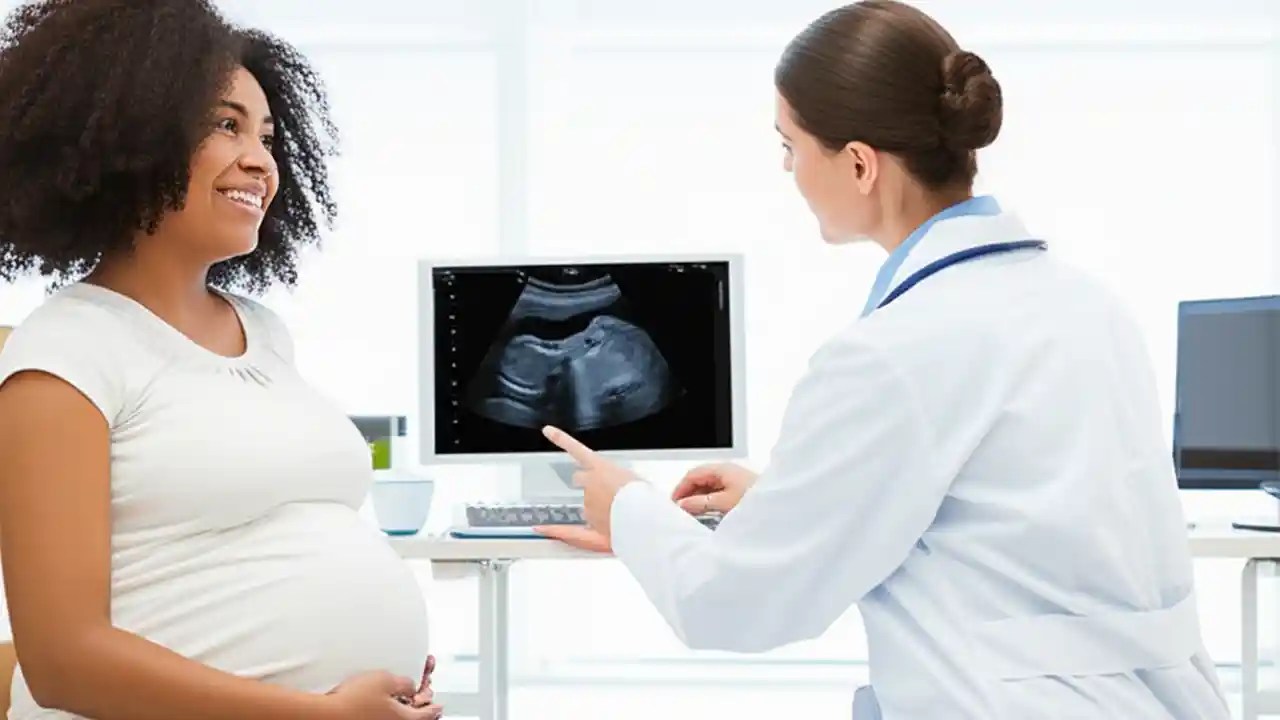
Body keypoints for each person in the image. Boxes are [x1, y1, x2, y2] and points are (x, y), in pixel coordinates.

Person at [535, 1, 1231, 718]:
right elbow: (1023, 519)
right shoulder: (1088, 305)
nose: (788, 171)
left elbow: (737, 605)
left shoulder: (893, 352)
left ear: (861, 164)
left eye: (791, 146)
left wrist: (628, 509)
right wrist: (792, 500)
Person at [0, 2, 439, 718]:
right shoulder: (64, 354)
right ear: (129, 139)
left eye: (266, 135)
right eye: (224, 125)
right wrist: (320, 715)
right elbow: (61, 661)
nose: (260, 160)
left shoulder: (265, 334)